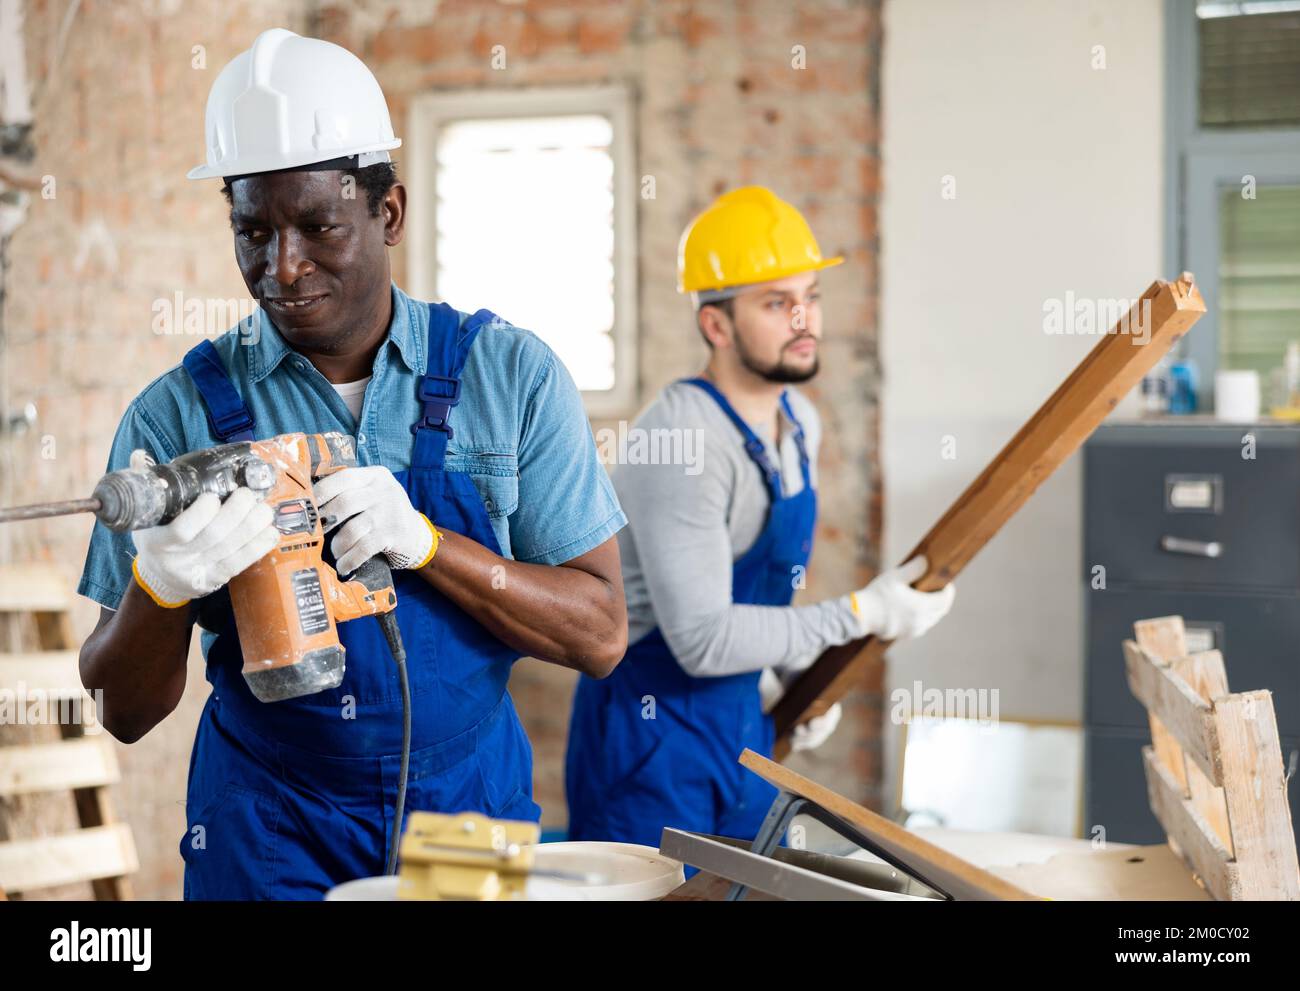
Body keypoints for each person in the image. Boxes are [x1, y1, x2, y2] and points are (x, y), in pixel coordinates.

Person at [77, 29, 627, 899]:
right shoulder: (175, 415)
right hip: (266, 823)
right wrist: (162, 587)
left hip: (466, 821)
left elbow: (599, 636)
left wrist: (431, 546)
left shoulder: (510, 375)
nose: (281, 267)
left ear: (390, 213)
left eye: (317, 226)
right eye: (251, 230)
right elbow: (124, 713)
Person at [564, 186, 954, 846]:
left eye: (811, 297)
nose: (804, 319)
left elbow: (753, 598)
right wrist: (857, 616)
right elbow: (703, 639)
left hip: (740, 725)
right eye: (777, 303)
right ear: (716, 325)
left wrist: (785, 676)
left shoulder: (799, 423)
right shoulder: (684, 443)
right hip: (649, 746)